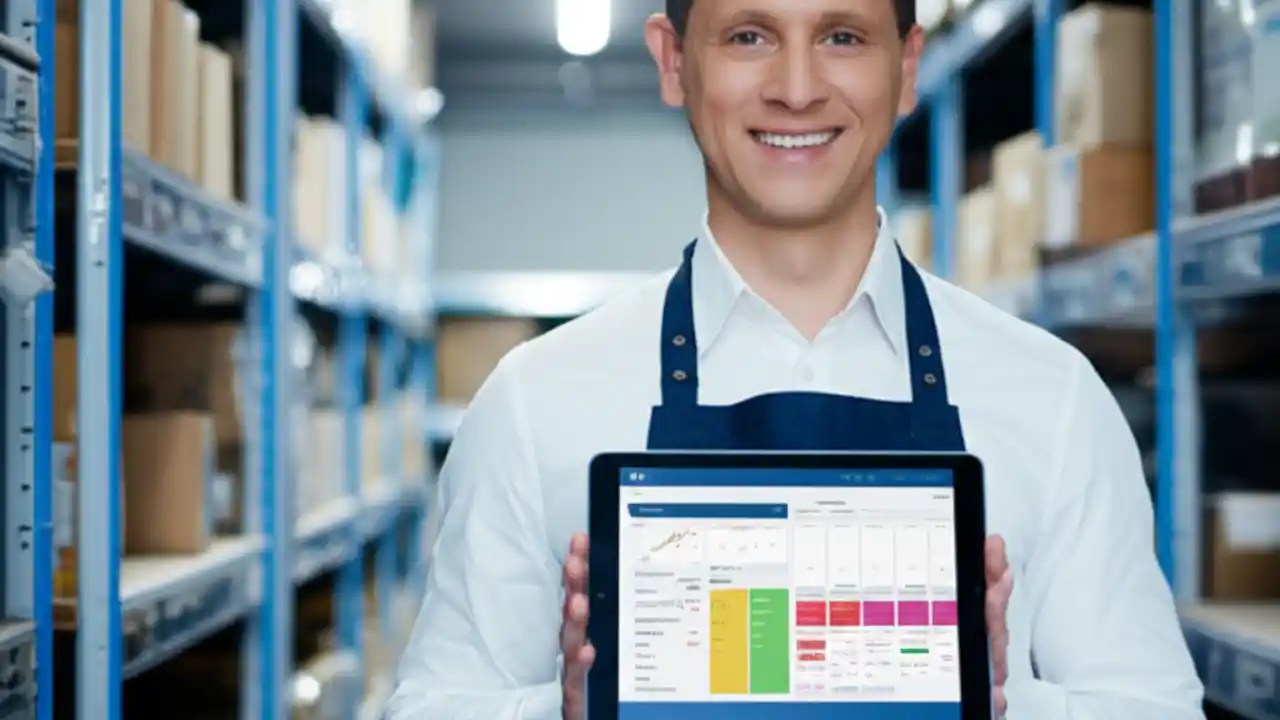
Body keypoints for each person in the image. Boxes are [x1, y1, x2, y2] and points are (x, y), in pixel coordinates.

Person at [387, 0, 1206, 717]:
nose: (798, 85)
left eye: (843, 36)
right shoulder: (535, 402)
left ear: (908, 65)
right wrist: (576, 713)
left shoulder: (1052, 397)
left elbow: (1150, 706)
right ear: (674, 61)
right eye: (750, 35)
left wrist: (988, 701)